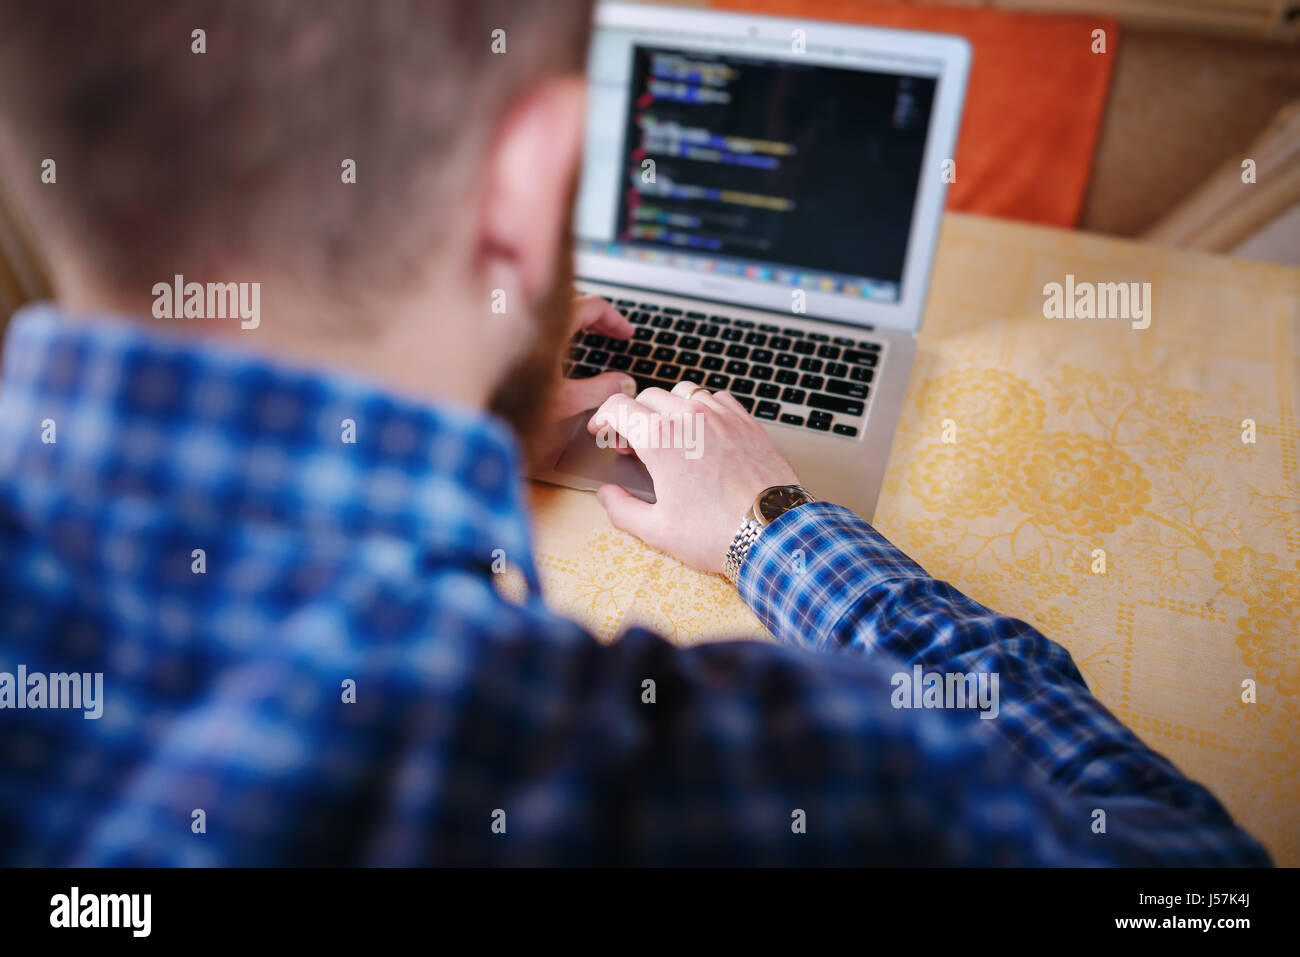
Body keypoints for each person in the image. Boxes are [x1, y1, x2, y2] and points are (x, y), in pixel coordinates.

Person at [0, 0, 1268, 866]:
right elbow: (1186, 865)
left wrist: (478, 391)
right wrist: (776, 529)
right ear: (527, 193)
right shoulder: (642, 774)